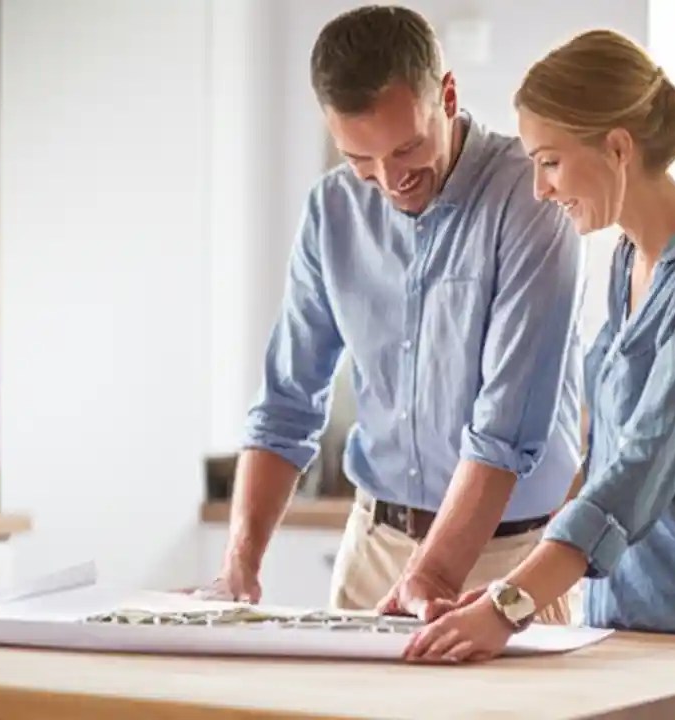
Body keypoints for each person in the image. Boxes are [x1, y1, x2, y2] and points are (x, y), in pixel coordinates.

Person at [404, 29, 675, 663]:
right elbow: (598, 463)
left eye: (550, 161)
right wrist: (510, 595)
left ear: (617, 147)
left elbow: (634, 477)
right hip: (628, 635)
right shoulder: (628, 264)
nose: (539, 189)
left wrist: (510, 605)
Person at [201, 5, 583, 624]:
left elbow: (506, 429)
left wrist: (431, 574)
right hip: (374, 547)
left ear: (448, 95)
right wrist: (239, 565)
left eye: (407, 147)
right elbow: (286, 404)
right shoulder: (333, 210)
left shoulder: (531, 198)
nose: (389, 178)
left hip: (505, 561)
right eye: (359, 157)